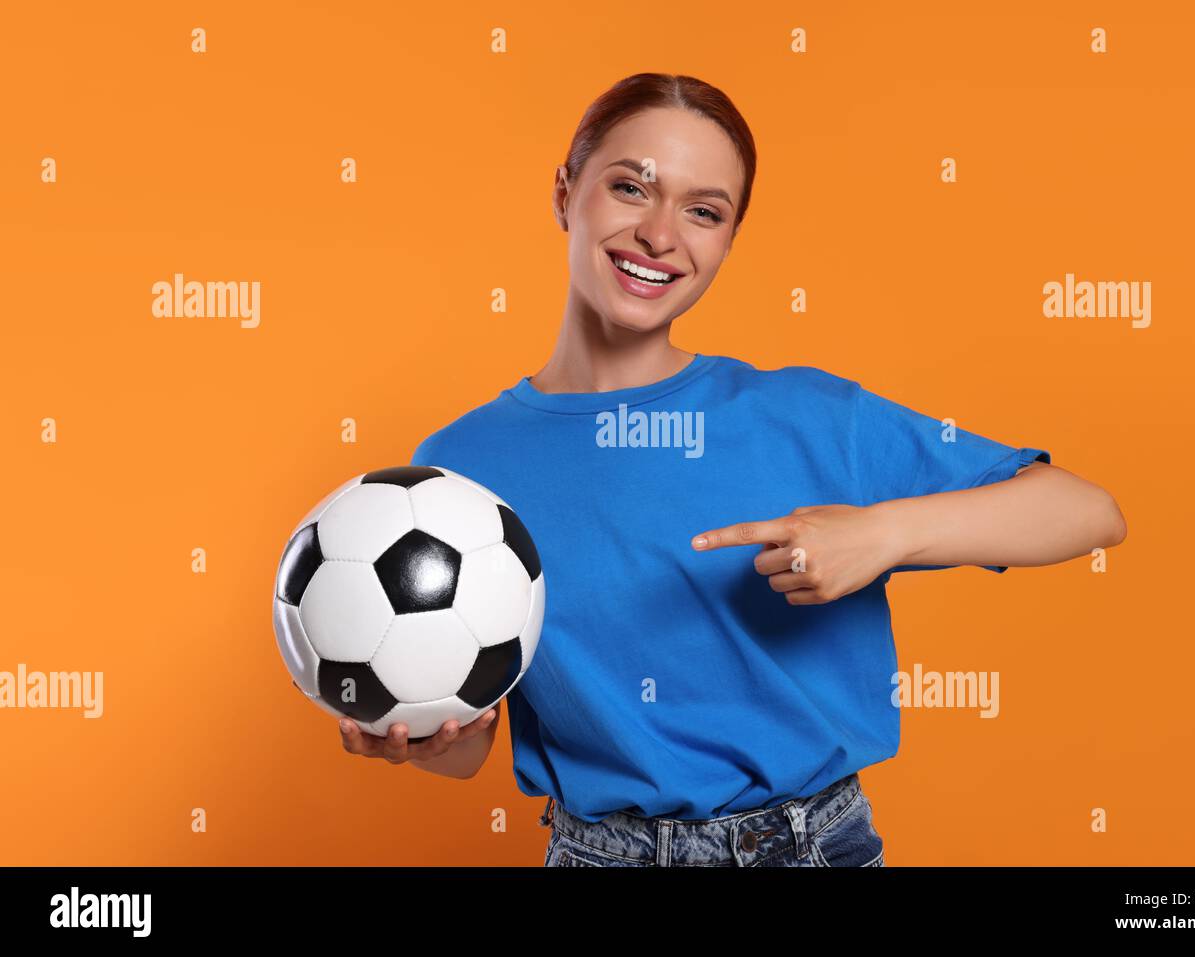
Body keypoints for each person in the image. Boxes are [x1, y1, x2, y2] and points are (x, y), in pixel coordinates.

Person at [338, 73, 1127, 867]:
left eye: (703, 211)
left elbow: (1087, 510)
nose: (659, 234)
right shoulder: (459, 468)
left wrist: (884, 534)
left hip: (810, 849)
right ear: (565, 191)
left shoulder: (807, 415)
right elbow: (471, 749)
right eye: (630, 187)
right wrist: (434, 733)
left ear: (727, 241)